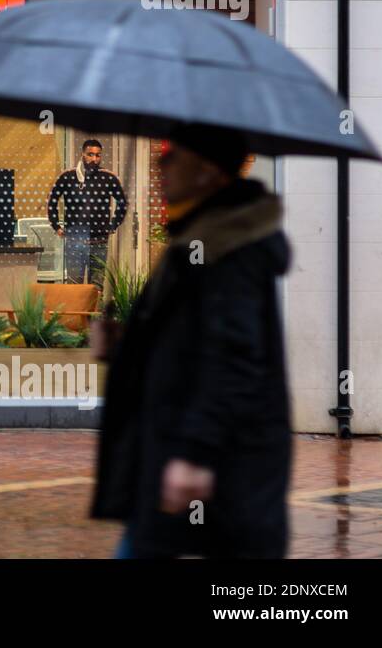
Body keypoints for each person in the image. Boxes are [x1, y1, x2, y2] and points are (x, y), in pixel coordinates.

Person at [89, 123, 291, 559]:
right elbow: (189, 340)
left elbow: (233, 357)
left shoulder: (228, 248)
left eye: (173, 153)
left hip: (213, 460)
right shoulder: (199, 236)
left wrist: (193, 455)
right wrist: (124, 346)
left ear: (207, 171)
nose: (161, 162)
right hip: (174, 446)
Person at [46, 138, 127, 286]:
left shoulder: (108, 177)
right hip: (74, 241)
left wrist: (113, 224)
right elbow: (51, 201)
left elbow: (123, 203)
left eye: (98, 155)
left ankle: (93, 310)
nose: (94, 159)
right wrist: (56, 226)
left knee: (96, 286)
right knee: (74, 285)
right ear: (83, 154)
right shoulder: (68, 176)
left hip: (99, 242)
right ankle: (73, 310)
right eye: (90, 154)